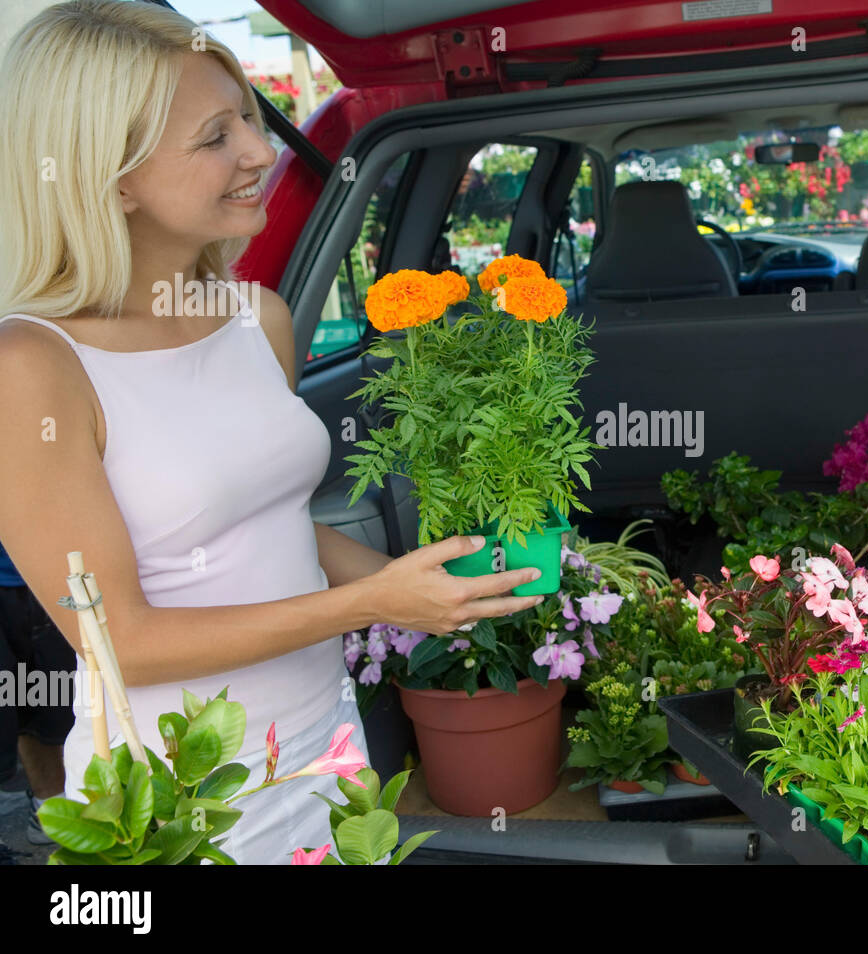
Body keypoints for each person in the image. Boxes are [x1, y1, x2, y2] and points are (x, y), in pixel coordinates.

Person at [0, 1, 542, 864]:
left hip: (324, 745)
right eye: (216, 135)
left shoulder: (259, 317)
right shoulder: (34, 364)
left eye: (250, 120)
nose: (260, 152)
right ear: (114, 175)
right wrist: (374, 604)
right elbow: (120, 642)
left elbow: (275, 527)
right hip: (179, 798)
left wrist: (443, 593)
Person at [0, 537, 76, 848]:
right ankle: (50, 806)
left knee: (55, 695)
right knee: (13, 698)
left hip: (53, 568)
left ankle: (52, 803)